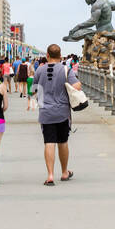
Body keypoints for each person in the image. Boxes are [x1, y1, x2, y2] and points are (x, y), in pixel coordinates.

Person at [34, 43, 80, 185]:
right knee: (63, 142)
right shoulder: (66, 69)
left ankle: (50, 175)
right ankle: (65, 172)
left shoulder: (39, 70)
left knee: (49, 142)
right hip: (62, 111)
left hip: (46, 112)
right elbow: (77, 86)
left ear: (47, 55)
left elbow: (34, 89)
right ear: (60, 56)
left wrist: (42, 101)